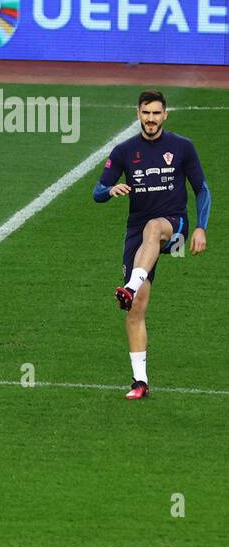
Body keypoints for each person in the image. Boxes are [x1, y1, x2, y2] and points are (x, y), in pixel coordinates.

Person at [94, 90, 210, 400]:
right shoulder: (123, 151)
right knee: (134, 311)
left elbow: (202, 190)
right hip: (137, 233)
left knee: (154, 226)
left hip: (174, 227)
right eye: (146, 113)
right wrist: (110, 189)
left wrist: (200, 227)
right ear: (138, 114)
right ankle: (140, 382)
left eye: (156, 113)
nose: (151, 118)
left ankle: (130, 285)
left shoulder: (182, 147)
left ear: (165, 115)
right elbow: (97, 191)